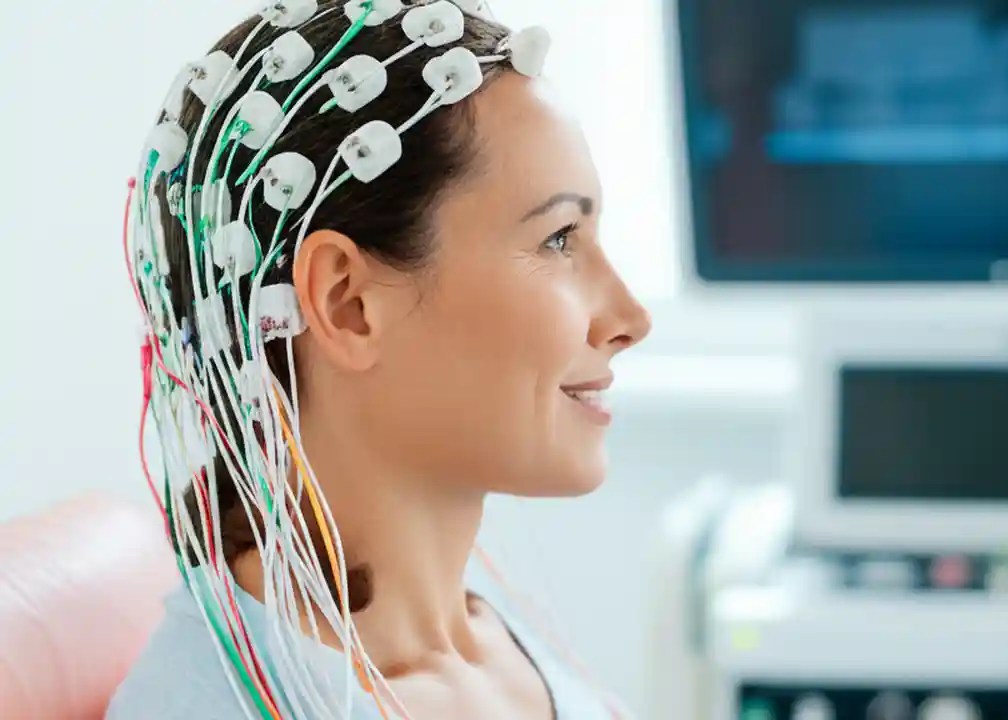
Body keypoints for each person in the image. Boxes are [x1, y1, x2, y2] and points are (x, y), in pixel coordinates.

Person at [108, 1, 650, 718]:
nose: (630, 319)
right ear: (347, 304)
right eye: (558, 239)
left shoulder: (487, 643)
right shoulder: (220, 704)